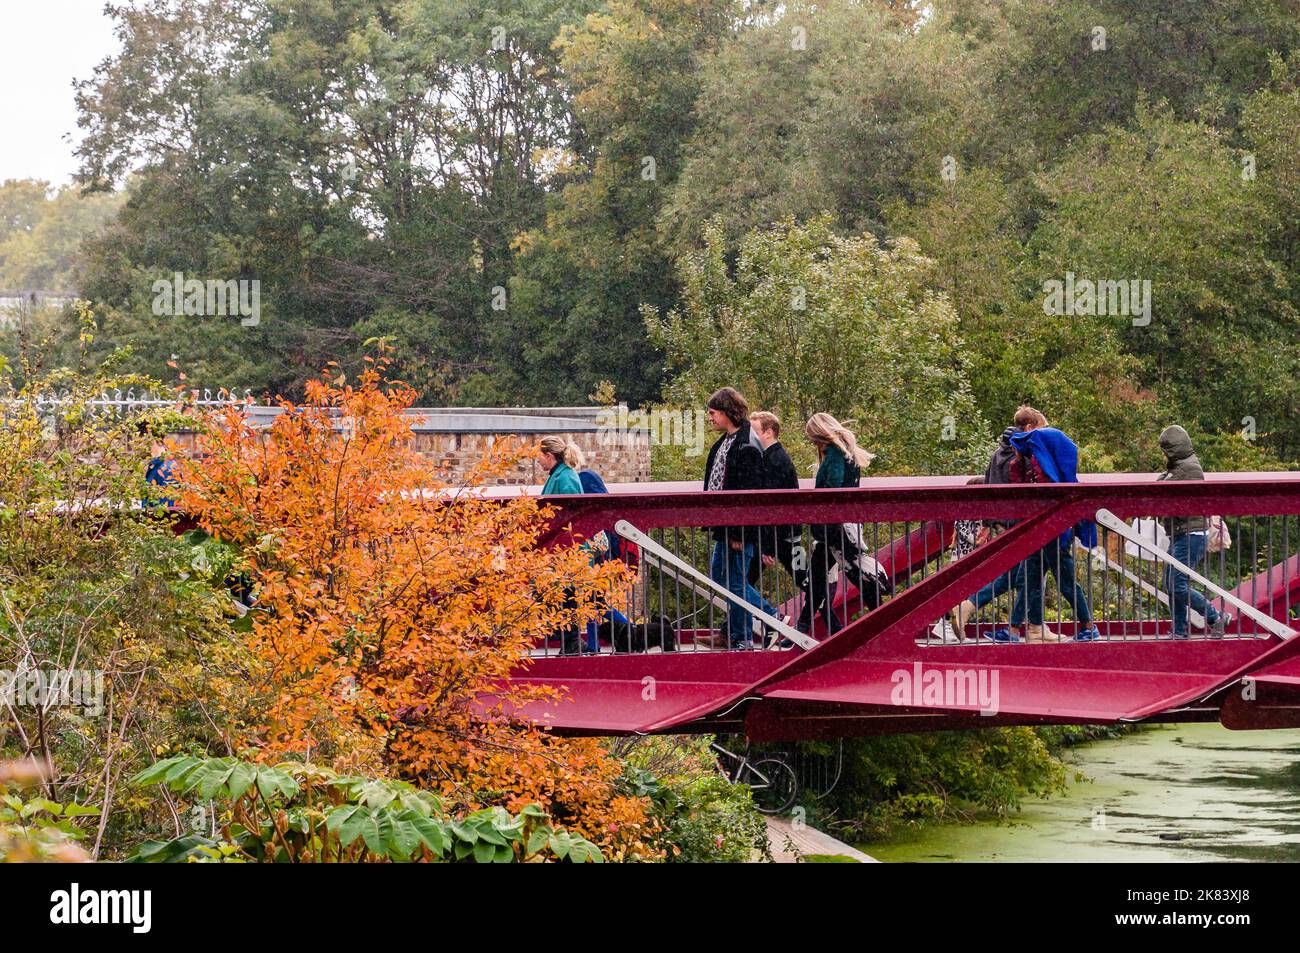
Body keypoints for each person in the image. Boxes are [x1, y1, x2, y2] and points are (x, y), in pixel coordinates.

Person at [1005, 408, 1100, 642]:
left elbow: (1052, 476)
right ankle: (1013, 630)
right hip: (1044, 526)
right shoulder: (1029, 455)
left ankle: (1089, 627)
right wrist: (1019, 459)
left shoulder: (1047, 441)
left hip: (1054, 527)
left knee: (1064, 580)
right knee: (1029, 578)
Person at [798, 412, 879, 636]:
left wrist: (817, 503)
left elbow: (833, 486)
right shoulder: (847, 452)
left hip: (833, 527)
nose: (812, 442)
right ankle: (811, 628)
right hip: (844, 524)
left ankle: (881, 617)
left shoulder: (834, 453)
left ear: (819, 433)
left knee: (832, 576)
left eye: (812, 437)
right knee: (825, 576)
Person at [702, 387, 770, 649]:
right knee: (722, 577)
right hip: (724, 526)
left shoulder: (746, 445)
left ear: (727, 411)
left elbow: (747, 496)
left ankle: (761, 623)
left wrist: (740, 533)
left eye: (713, 413)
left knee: (736, 581)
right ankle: (736, 632)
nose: (710, 418)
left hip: (738, 529)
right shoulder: (728, 442)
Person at [1157, 425, 1229, 638]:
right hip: (1183, 533)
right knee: (1171, 584)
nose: (1163, 454)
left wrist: (1163, 480)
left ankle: (1215, 617)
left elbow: (1166, 488)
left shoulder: (1188, 468)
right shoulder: (1180, 465)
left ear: (1173, 450)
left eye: (1165, 449)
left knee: (1177, 585)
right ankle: (1179, 631)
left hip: (1192, 533)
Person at [745, 411, 803, 628]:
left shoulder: (774, 461)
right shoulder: (778, 458)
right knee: (804, 579)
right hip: (788, 535)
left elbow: (773, 505)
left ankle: (771, 622)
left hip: (778, 538)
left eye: (754, 432)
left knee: (741, 583)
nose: (751, 438)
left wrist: (767, 547)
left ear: (768, 432)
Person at [539, 436, 586, 654]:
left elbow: (572, 511)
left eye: (540, 457)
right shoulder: (560, 475)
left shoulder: (564, 477)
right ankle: (570, 641)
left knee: (564, 594)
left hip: (564, 547)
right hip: (559, 546)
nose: (538, 461)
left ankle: (572, 641)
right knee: (560, 593)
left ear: (549, 456)